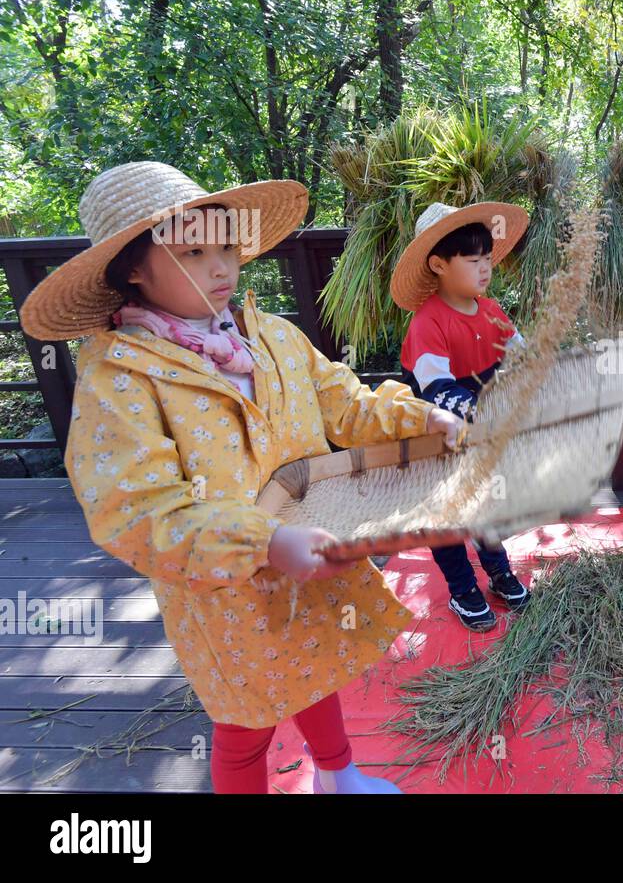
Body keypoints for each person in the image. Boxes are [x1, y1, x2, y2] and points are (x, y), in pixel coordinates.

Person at [19, 161, 463, 793]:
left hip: (314, 546)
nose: (221, 267)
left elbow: (346, 405)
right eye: (193, 252)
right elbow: (135, 508)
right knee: (246, 719)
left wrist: (422, 417)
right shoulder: (119, 378)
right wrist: (261, 542)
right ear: (133, 271)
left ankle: (340, 776)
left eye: (227, 247)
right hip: (225, 595)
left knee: (317, 665)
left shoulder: (273, 337)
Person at [390, 200, 533, 629]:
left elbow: (523, 357)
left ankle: (499, 570)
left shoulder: (491, 311)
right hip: (436, 433)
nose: (485, 268)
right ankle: (461, 587)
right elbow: (436, 389)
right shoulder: (428, 323)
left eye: (488, 258)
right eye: (473, 260)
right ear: (438, 264)